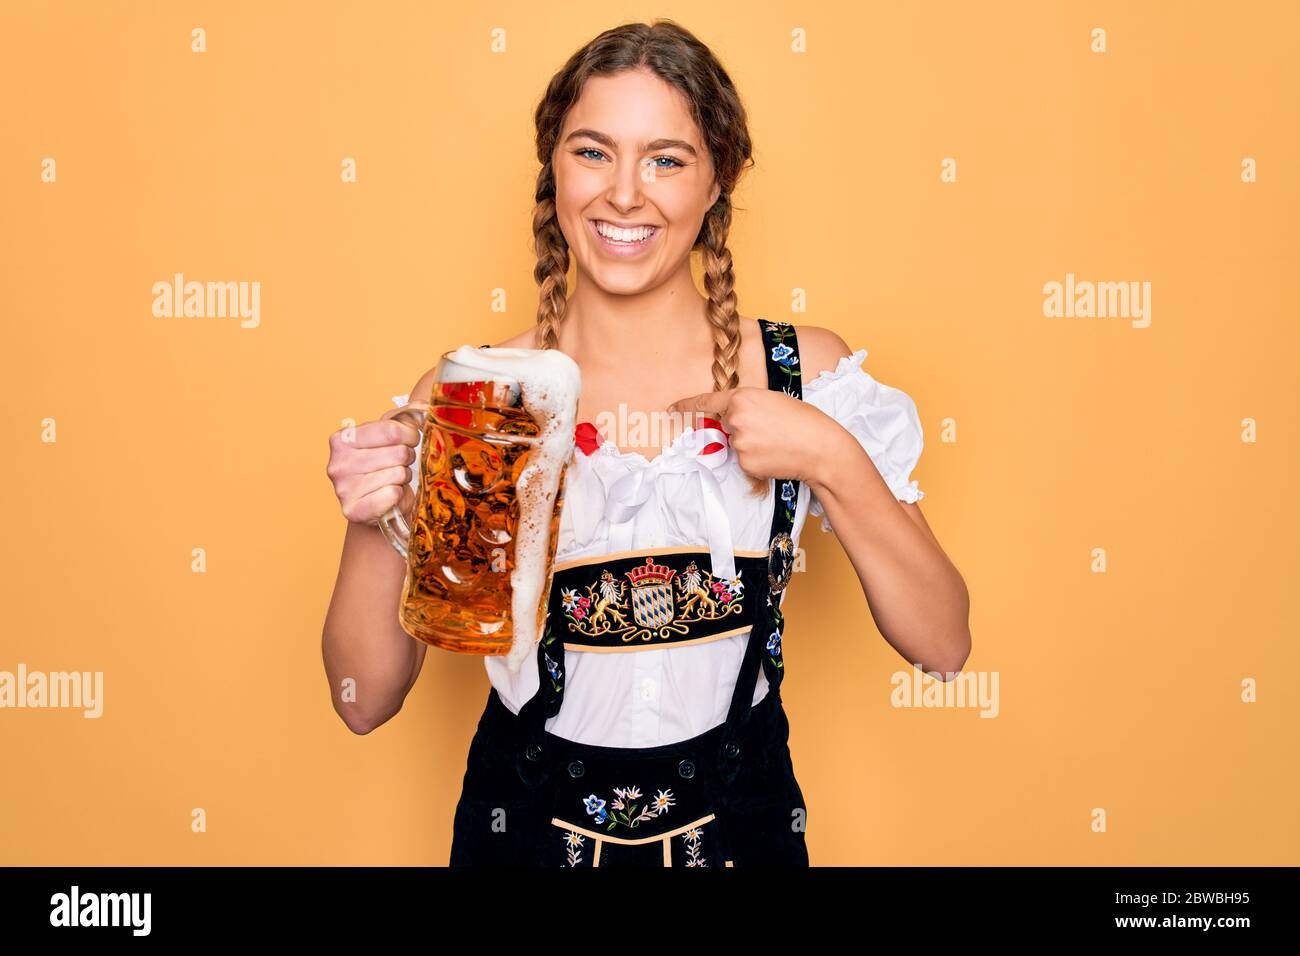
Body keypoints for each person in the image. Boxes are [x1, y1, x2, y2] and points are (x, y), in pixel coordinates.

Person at [322, 20, 971, 867]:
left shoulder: (804, 374)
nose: (624, 194)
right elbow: (364, 699)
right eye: (593, 152)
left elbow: (945, 644)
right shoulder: (477, 398)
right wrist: (376, 515)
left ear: (717, 184)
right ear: (552, 169)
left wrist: (828, 456)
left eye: (666, 159)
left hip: (744, 841)